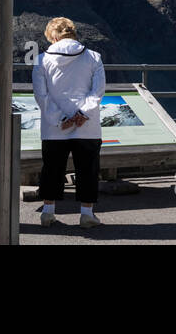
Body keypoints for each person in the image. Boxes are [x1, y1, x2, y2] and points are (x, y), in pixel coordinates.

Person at [33, 17, 106, 228]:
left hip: (54, 128)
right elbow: (98, 90)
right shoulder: (93, 57)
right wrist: (82, 113)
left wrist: (60, 119)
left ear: (53, 36)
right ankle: (87, 214)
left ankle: (48, 212)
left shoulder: (41, 60)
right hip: (87, 126)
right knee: (88, 169)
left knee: (52, 169)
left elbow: (41, 94)